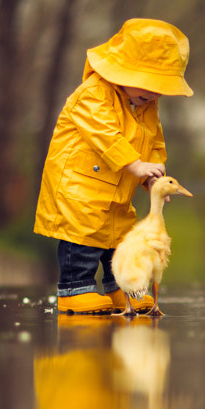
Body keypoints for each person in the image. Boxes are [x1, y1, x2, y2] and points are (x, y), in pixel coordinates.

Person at [34, 18, 193, 314]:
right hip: (80, 188)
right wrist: (134, 164)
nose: (154, 95)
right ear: (122, 71)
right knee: (82, 240)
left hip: (118, 190)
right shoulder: (92, 93)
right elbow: (104, 133)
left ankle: (126, 287)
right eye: (149, 86)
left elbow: (155, 143)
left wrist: (152, 177)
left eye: (160, 89)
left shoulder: (144, 105)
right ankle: (74, 289)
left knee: (122, 242)